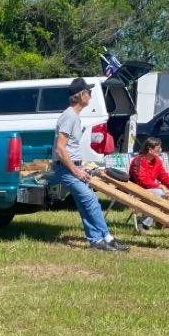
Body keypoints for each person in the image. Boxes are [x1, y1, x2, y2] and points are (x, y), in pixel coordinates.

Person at [51, 77, 129, 252]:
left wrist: (82, 165)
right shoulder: (69, 116)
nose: (91, 94)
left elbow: (70, 148)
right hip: (65, 170)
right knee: (91, 201)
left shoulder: (74, 117)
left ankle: (98, 240)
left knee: (86, 203)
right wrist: (75, 171)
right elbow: (60, 148)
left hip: (73, 167)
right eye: (88, 92)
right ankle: (105, 238)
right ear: (79, 96)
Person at [129, 138, 169, 230]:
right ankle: (143, 222)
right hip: (138, 190)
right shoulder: (138, 161)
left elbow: (164, 176)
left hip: (151, 188)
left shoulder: (157, 161)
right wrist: (160, 186)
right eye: (158, 148)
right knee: (159, 193)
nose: (161, 150)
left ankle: (164, 220)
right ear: (150, 150)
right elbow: (142, 181)